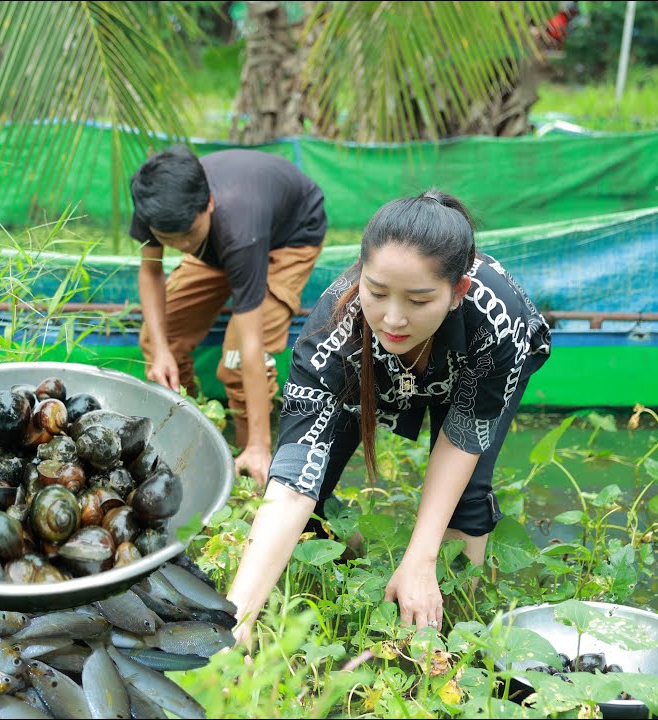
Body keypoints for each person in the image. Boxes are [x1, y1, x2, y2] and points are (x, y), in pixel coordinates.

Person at [225, 191, 552, 645]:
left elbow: (462, 436)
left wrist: (422, 558)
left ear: (458, 292)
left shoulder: (497, 320)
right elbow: (293, 482)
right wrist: (233, 621)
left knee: (467, 498)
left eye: (418, 300)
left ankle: (454, 635)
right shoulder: (330, 333)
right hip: (371, 365)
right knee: (308, 504)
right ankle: (367, 551)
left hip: (471, 363)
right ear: (361, 274)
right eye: (376, 293)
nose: (393, 318)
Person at [129, 145, 328, 488]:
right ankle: (189, 429)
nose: (183, 246)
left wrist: (259, 446)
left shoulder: (238, 229)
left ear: (208, 204)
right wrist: (161, 350)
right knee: (157, 337)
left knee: (237, 359)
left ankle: (254, 462)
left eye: (189, 236)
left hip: (290, 235)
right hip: (225, 240)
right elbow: (151, 273)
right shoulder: (155, 205)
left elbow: (250, 346)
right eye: (170, 240)